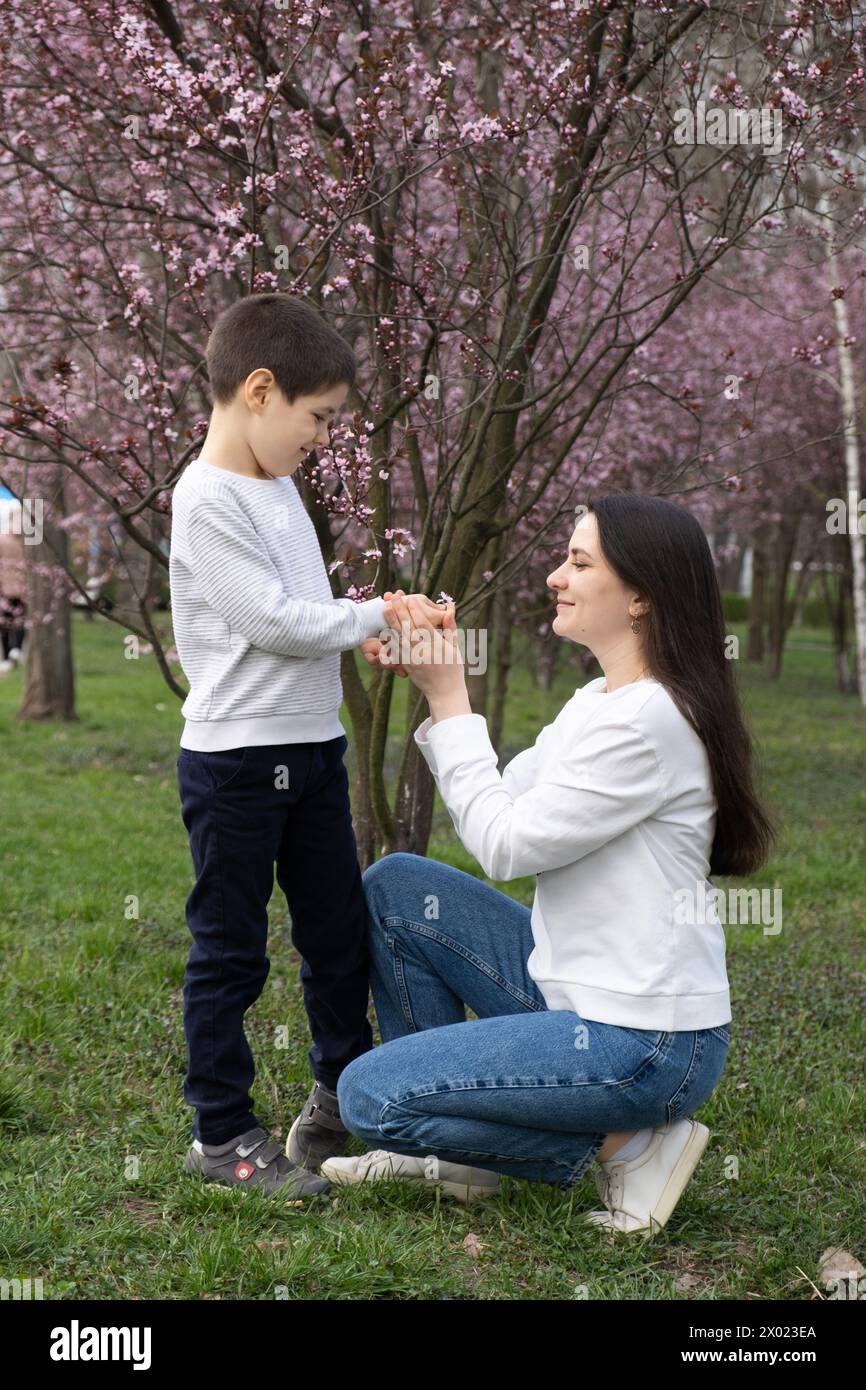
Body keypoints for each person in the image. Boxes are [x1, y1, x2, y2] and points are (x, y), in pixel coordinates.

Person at [326, 494, 777, 1235]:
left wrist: (451, 694)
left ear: (639, 597)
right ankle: (457, 1150)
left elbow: (505, 847)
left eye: (578, 562)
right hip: (579, 998)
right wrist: (433, 686)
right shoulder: (599, 700)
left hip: (646, 1045)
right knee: (396, 890)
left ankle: (628, 1142)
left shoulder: (648, 722)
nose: (554, 578)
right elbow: (501, 800)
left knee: (370, 1099)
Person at [170, 293, 453, 1198]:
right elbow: (269, 619)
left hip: (315, 751)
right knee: (231, 950)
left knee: (337, 933)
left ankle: (339, 1101)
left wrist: (354, 631)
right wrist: (379, 610)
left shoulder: (278, 486)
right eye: (319, 417)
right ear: (260, 390)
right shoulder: (205, 498)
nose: (325, 438)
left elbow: (303, 612)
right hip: (238, 766)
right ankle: (222, 1135)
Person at [0, 499, 26, 673]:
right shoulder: (28, 540)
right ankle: (17, 647)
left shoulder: (2, 539)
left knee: (4, 621)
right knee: (20, 620)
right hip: (23, 587)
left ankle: (7, 655)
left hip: (4, 587)